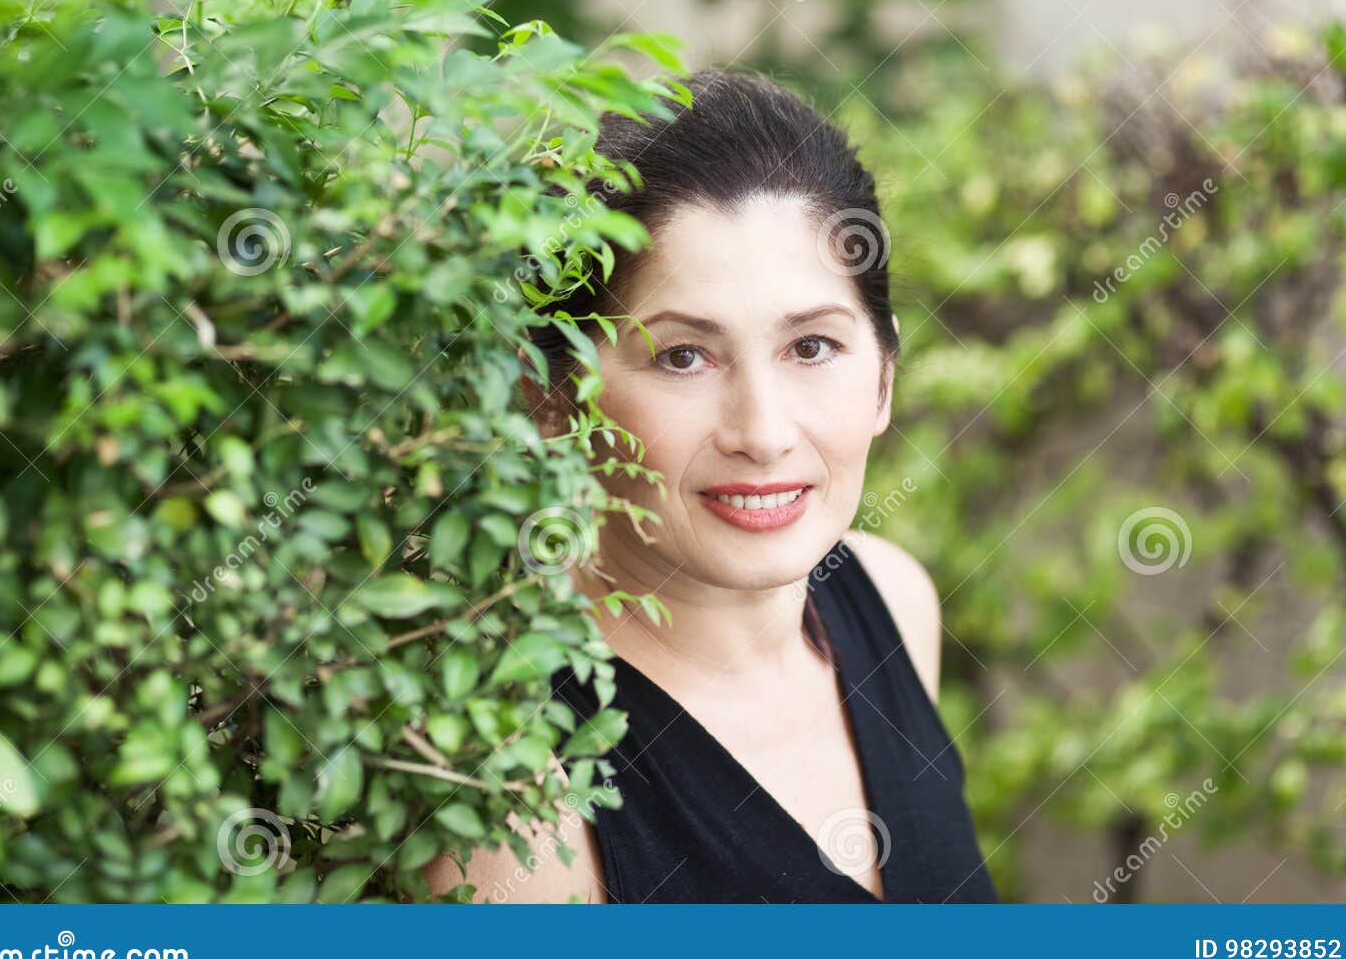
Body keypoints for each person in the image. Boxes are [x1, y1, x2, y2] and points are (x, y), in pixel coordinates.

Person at [425, 70, 998, 903]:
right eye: (683, 356)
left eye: (811, 347)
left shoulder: (894, 601)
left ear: (883, 377)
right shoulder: (521, 796)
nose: (762, 433)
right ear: (550, 397)